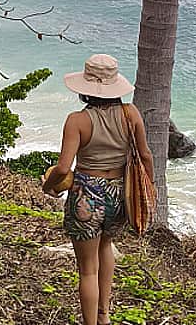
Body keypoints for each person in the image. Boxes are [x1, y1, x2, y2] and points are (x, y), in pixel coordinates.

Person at [43, 54, 154, 325]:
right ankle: (104, 316)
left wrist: (49, 187)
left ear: (85, 89)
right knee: (107, 245)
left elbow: (62, 168)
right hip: (119, 194)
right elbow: (146, 155)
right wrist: (148, 188)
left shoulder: (77, 121)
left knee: (87, 271)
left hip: (86, 195)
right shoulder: (131, 113)